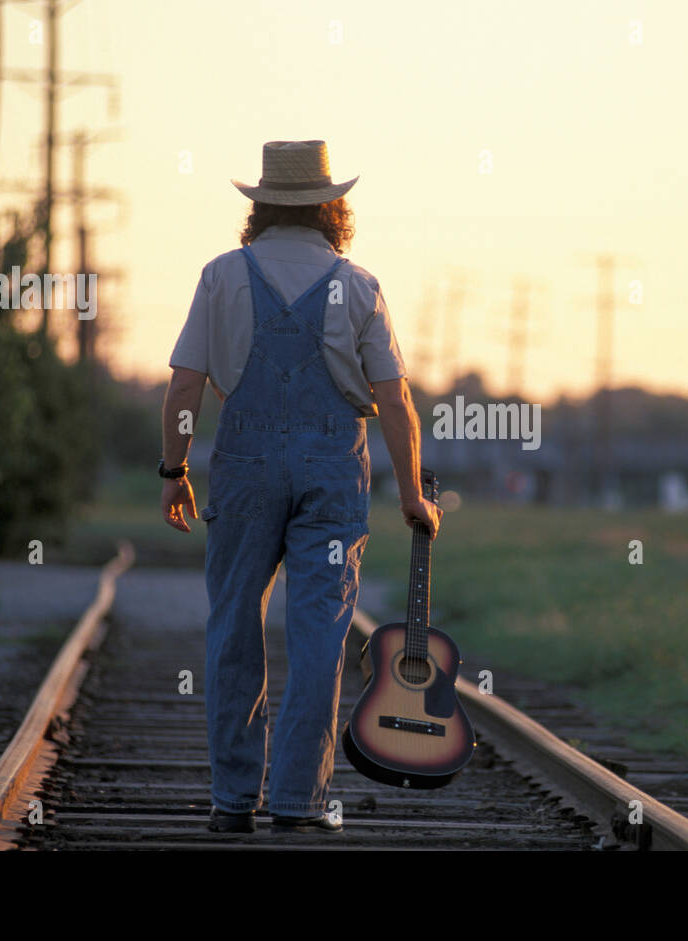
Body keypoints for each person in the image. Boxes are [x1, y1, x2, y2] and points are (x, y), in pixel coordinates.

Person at [159, 140, 441, 834]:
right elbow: (396, 401)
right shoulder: (360, 285)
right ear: (331, 209)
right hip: (330, 478)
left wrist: (175, 470)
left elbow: (186, 387)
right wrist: (412, 495)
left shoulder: (221, 276)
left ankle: (232, 802)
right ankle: (295, 801)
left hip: (245, 467)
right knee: (318, 634)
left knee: (233, 628)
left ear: (258, 209)